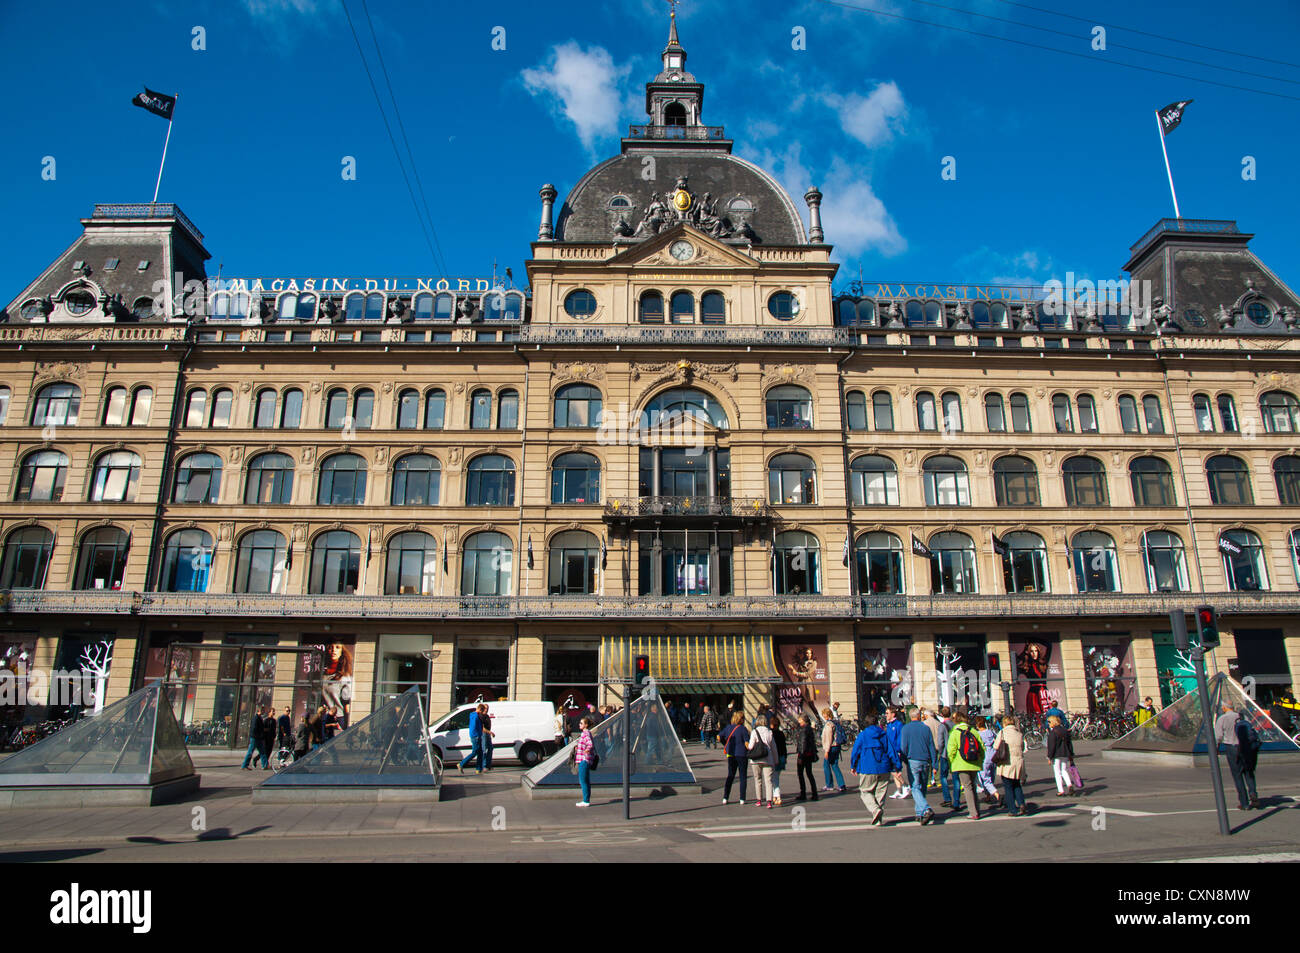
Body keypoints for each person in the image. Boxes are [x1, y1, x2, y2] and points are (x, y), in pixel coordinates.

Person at [849, 713, 897, 826]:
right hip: (884, 766)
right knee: (880, 793)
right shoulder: (883, 734)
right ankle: (878, 818)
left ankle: (875, 810)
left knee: (865, 791)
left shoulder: (862, 735)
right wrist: (897, 766)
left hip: (868, 767)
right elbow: (891, 750)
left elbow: (855, 751)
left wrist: (853, 766)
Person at [898, 707, 937, 825]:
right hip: (925, 759)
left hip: (912, 760)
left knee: (915, 787)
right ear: (919, 716)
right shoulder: (926, 728)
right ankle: (920, 813)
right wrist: (935, 763)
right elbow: (931, 746)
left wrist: (904, 760)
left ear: (910, 717)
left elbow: (903, 747)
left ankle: (925, 808)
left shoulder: (905, 728)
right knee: (922, 786)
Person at [1213, 703, 1254, 810]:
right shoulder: (1242, 716)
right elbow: (1251, 730)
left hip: (1232, 748)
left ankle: (1244, 803)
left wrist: (1216, 749)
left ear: (1224, 707)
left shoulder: (1222, 718)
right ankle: (1253, 793)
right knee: (1248, 772)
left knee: (1237, 775)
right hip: (1245, 747)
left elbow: (1218, 736)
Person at [946, 707, 984, 819]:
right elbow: (982, 747)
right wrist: (980, 760)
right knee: (973, 786)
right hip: (974, 762)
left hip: (961, 763)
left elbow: (951, 750)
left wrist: (951, 763)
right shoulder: (973, 731)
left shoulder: (954, 732)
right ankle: (976, 809)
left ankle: (973, 812)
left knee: (967, 787)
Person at [993, 715, 1029, 816]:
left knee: (1008, 787)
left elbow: (996, 746)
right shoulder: (1019, 734)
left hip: (1006, 762)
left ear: (1004, 723)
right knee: (1017, 785)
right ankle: (1021, 803)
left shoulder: (1002, 733)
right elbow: (1022, 747)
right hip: (1018, 762)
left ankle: (1013, 809)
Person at [747, 714, 778, 808]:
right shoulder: (769, 732)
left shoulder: (754, 732)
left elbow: (750, 746)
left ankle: (759, 800)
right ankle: (769, 801)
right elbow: (773, 748)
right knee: (768, 781)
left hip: (756, 759)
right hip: (767, 759)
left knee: (758, 780)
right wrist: (776, 760)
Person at [1045, 713, 1078, 797]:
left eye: (1049, 722)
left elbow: (1051, 746)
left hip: (1056, 755)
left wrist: (1049, 757)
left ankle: (1060, 790)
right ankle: (1069, 785)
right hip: (1065, 753)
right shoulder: (1065, 730)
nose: (1048, 724)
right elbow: (1069, 743)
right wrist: (1071, 754)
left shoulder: (1053, 732)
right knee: (1064, 770)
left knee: (1057, 772)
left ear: (1053, 722)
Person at [722, 712, 749, 805]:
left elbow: (719, 736)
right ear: (741, 719)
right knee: (743, 776)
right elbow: (746, 743)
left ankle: (725, 797)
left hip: (731, 754)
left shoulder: (728, 728)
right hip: (742, 754)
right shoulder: (743, 729)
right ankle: (742, 798)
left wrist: (725, 745)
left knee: (730, 775)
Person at [936, 706, 960, 810]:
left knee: (943, 776)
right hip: (955, 754)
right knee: (956, 778)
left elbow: (940, 742)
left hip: (945, 754)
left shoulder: (942, 726)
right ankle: (957, 801)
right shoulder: (955, 725)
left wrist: (940, 752)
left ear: (941, 714)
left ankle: (947, 798)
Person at [974, 715, 1002, 806]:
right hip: (993, 755)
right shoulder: (990, 732)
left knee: (985, 779)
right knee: (991, 776)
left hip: (984, 757)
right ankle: (988, 795)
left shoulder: (978, 734)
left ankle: (997, 795)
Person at [883, 706, 908, 799]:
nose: (886, 715)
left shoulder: (898, 724)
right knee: (893, 770)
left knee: (894, 770)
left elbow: (900, 738)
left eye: (887, 713)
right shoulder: (888, 724)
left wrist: (898, 750)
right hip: (889, 750)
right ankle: (899, 789)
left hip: (896, 751)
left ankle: (905, 785)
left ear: (893, 714)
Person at [821, 706, 847, 792]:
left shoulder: (828, 724)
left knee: (826, 765)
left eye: (824, 715)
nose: (823, 717)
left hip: (831, 747)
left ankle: (829, 784)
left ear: (827, 715)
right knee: (835, 765)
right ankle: (841, 784)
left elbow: (829, 738)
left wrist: (826, 751)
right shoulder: (835, 722)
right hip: (837, 746)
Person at [574, 716, 596, 808]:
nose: (579, 724)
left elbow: (590, 744)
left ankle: (586, 800)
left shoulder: (585, 733)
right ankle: (586, 799)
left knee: (583, 780)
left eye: (581, 723)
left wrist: (586, 750)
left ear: (586, 725)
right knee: (585, 780)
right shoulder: (587, 733)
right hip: (586, 759)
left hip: (584, 759)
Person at [795, 714, 818, 801]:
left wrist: (800, 756)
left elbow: (803, 743)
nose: (798, 721)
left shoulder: (803, 729)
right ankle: (814, 793)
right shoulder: (809, 728)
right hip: (809, 753)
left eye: (799, 720)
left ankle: (803, 793)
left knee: (800, 773)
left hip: (803, 754)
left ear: (803, 720)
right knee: (809, 773)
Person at [458, 703, 484, 774]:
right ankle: (461, 764)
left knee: (480, 753)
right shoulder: (475, 716)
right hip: (476, 736)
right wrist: (477, 735)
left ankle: (478, 769)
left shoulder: (474, 715)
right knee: (474, 752)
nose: (482, 713)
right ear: (480, 709)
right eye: (482, 711)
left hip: (477, 736)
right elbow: (474, 727)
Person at [770, 713, 787, 807]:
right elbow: (784, 747)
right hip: (781, 757)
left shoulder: (771, 734)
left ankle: (777, 796)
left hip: (773, 758)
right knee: (776, 777)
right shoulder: (781, 733)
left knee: (774, 778)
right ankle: (774, 796)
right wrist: (785, 757)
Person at [241, 706, 267, 770]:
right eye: (263, 710)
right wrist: (258, 735)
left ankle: (265, 765)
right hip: (255, 738)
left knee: (262, 751)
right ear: (259, 711)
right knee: (250, 752)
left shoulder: (259, 718)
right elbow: (254, 728)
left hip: (258, 738)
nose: (264, 711)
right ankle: (244, 765)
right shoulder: (256, 718)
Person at [257, 706, 278, 770]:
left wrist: (274, 736)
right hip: (266, 738)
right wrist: (266, 730)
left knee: (269, 751)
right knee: (265, 751)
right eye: (272, 711)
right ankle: (264, 764)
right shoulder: (266, 720)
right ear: (269, 712)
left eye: (274, 712)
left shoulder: (274, 721)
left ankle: (265, 763)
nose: (273, 713)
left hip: (271, 738)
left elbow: (274, 729)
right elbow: (262, 729)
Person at [480, 704, 495, 771]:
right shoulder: (481, 716)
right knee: (484, 750)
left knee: (490, 748)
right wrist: (490, 732)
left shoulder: (487, 716)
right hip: (484, 734)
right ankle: (484, 766)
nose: (486, 710)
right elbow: (482, 728)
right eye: (485, 708)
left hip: (487, 734)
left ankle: (488, 765)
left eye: (487, 708)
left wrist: (489, 732)